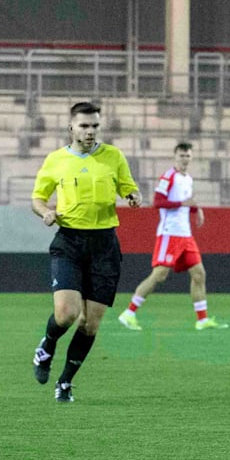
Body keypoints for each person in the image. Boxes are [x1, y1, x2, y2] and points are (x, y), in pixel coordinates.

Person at [29, 101, 141, 402]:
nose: (90, 131)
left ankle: (65, 381)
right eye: (84, 126)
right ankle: (47, 345)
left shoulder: (113, 156)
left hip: (104, 246)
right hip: (70, 242)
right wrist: (45, 212)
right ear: (71, 128)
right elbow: (37, 198)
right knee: (67, 314)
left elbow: (128, 187)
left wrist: (133, 195)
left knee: (90, 324)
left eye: (95, 126)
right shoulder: (56, 160)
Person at [118, 141, 228, 332]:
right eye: (181, 155)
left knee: (199, 274)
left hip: (186, 235)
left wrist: (197, 209)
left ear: (191, 158)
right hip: (170, 233)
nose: (185, 159)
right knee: (159, 274)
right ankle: (129, 313)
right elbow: (158, 202)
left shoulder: (188, 179)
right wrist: (183, 204)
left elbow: (186, 202)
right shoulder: (168, 176)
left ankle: (202, 320)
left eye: (188, 156)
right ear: (175, 157)